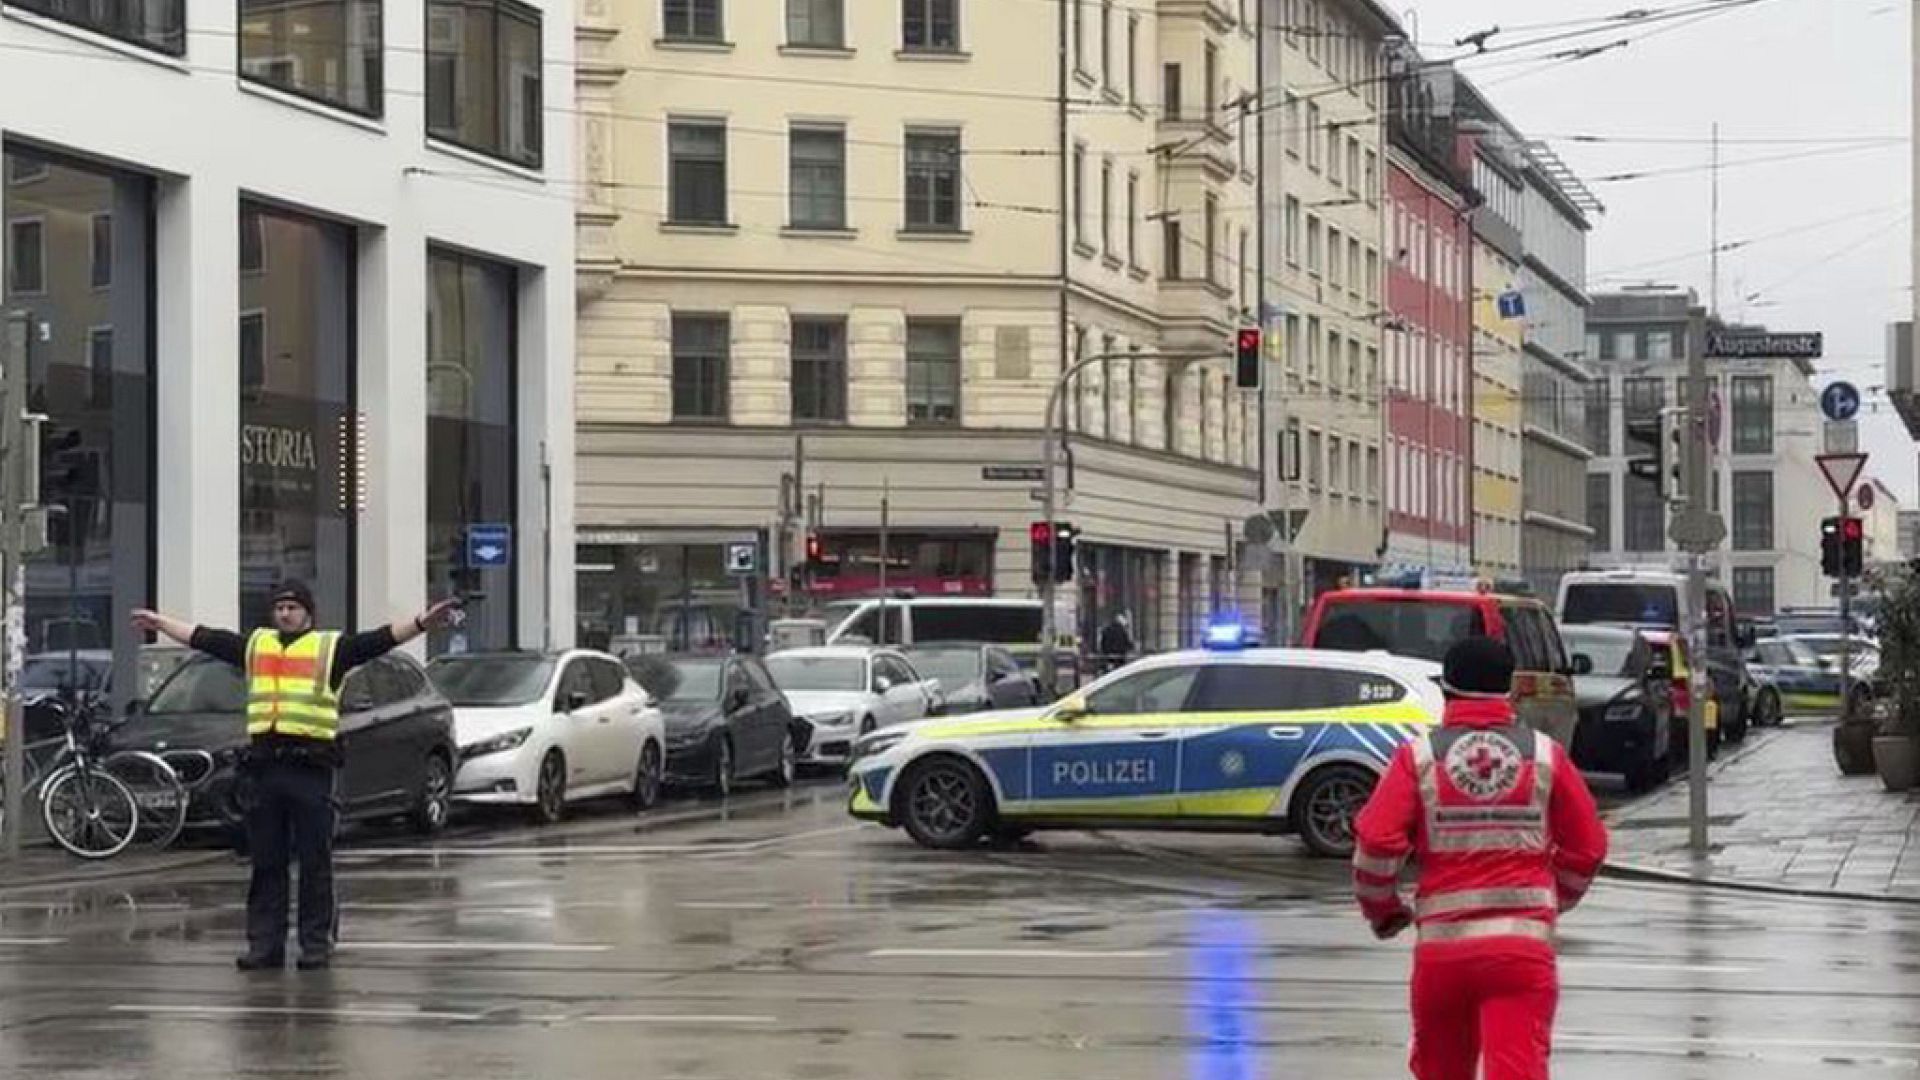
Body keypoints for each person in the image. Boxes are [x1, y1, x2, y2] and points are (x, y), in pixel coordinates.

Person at [132, 583, 459, 972]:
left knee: (314, 863)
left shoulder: (328, 648)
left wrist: (422, 622)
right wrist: (161, 623)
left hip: (311, 769)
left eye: (292, 607)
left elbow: (377, 641)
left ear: (308, 613)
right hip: (266, 769)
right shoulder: (257, 646)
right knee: (266, 863)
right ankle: (264, 946)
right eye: (280, 607)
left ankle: (315, 945)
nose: (285, 613)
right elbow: (208, 639)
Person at [1351, 636, 1609, 1080]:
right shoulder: (1545, 755)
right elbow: (1588, 848)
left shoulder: (1419, 758)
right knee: (1517, 1071)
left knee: (1441, 1070)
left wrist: (1385, 911)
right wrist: (1551, 900)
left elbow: (1376, 845)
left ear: (1447, 690)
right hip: (1521, 952)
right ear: (1508, 692)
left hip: (1443, 955)